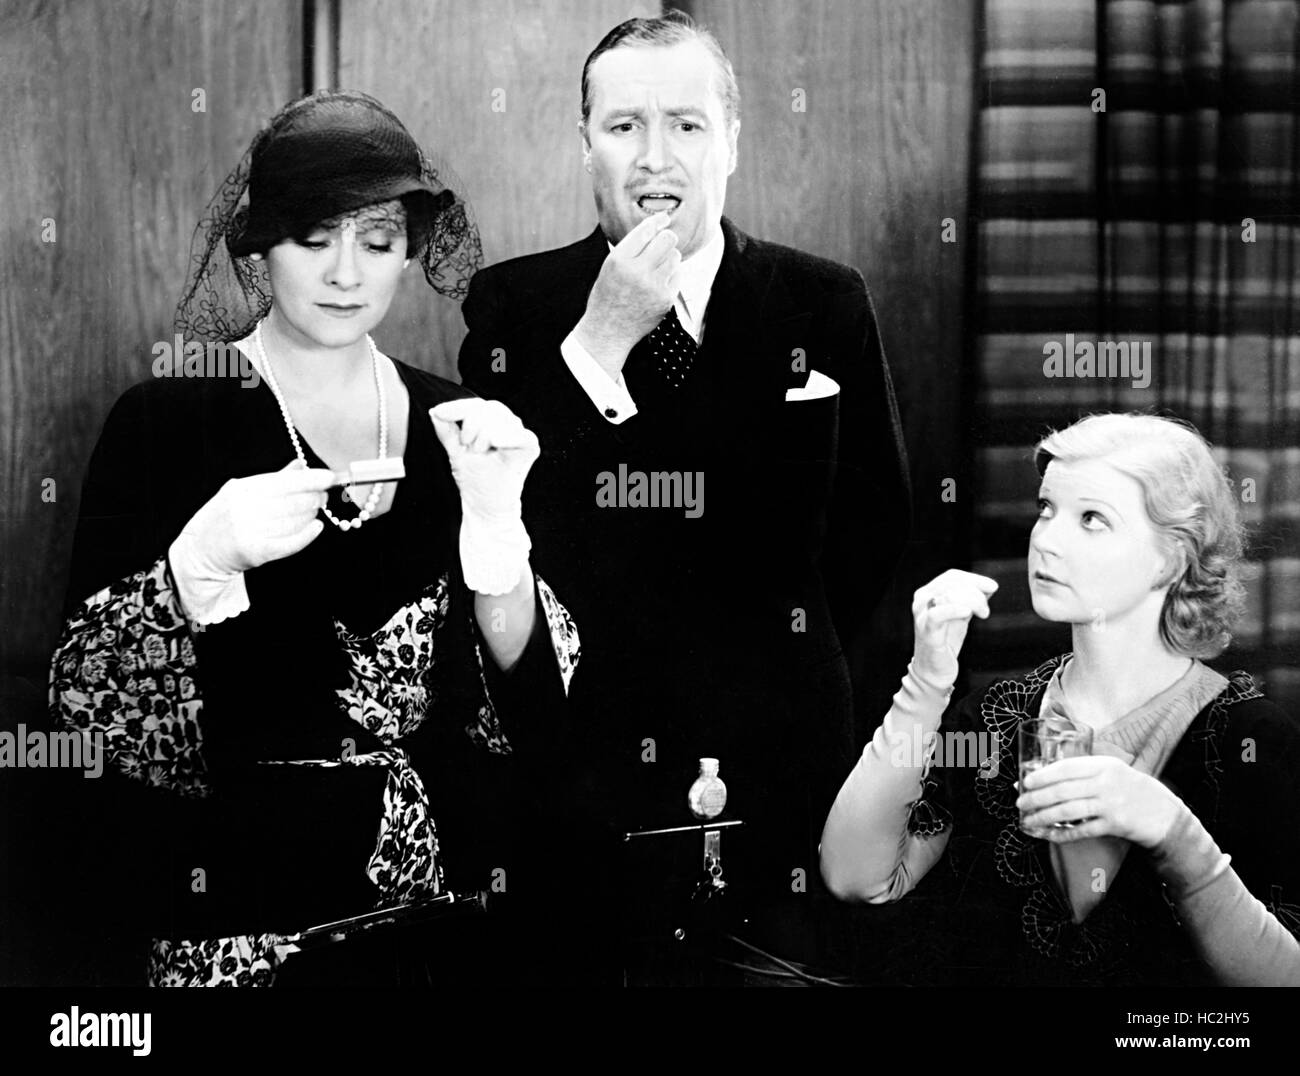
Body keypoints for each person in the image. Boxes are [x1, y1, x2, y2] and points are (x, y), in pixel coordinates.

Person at [47, 90, 579, 987]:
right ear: (260, 245)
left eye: (377, 242)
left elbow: (532, 712)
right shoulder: (164, 423)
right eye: (313, 238)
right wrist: (192, 571)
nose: (344, 274)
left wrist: (498, 541)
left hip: (444, 919)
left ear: (411, 251)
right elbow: (89, 710)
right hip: (243, 921)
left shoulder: (460, 424)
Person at [459, 12, 909, 982]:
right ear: (584, 143)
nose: (655, 157)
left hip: (784, 764)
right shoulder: (512, 307)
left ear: (731, 141)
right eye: (624, 126)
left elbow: (876, 530)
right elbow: (504, 533)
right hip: (585, 776)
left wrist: (771, 654)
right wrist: (598, 343)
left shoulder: (824, 300)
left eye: (687, 125)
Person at [821, 412, 1300, 986]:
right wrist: (925, 682)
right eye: (1047, 508)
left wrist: (1176, 834)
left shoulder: (1251, 741)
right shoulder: (993, 722)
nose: (1046, 540)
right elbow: (856, 878)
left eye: (1092, 518)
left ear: (1171, 559)